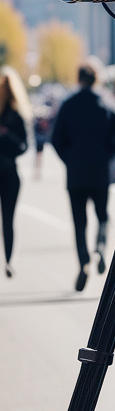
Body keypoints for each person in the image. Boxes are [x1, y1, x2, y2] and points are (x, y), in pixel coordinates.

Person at [52, 65, 115, 292]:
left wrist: (69, 159)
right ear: (96, 80)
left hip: (76, 173)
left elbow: (56, 139)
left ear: (78, 78)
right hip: (100, 170)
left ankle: (83, 262)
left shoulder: (68, 104)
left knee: (79, 221)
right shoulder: (106, 104)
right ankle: (100, 247)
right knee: (102, 215)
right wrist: (107, 156)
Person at [0, 66, 30, 277]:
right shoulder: (17, 113)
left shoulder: (16, 115)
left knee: (8, 219)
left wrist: (6, 134)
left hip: (9, 172)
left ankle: (8, 260)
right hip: (10, 173)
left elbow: (23, 146)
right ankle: (9, 261)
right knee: (8, 219)